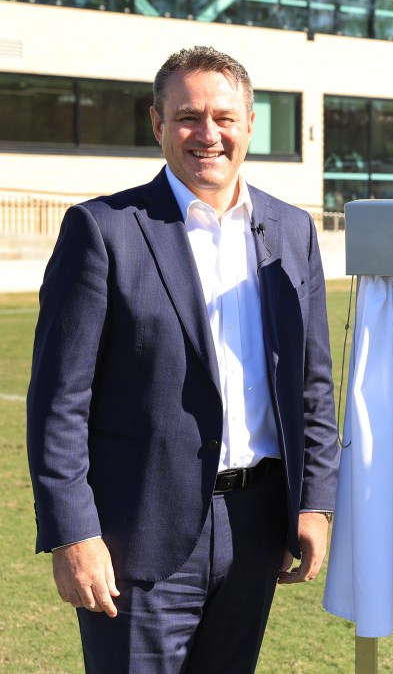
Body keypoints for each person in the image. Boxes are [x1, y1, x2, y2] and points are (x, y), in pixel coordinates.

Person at [26, 46, 340, 673]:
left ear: (250, 124)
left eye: (224, 117)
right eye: (188, 116)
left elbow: (312, 383)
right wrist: (72, 532)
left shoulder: (291, 230)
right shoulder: (103, 230)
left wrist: (315, 502)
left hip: (255, 527)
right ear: (157, 124)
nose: (208, 134)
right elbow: (59, 402)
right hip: (133, 536)